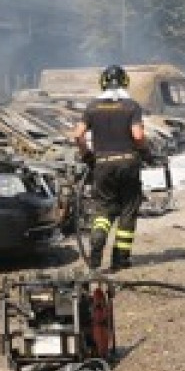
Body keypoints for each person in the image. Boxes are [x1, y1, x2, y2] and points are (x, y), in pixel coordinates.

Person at [71, 64, 153, 272]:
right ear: (125, 82)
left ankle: (97, 245)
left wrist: (87, 155)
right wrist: (146, 153)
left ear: (102, 83)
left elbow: (78, 135)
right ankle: (120, 260)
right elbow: (138, 136)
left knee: (103, 209)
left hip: (102, 165)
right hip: (128, 163)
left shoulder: (92, 107)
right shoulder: (132, 106)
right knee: (128, 210)